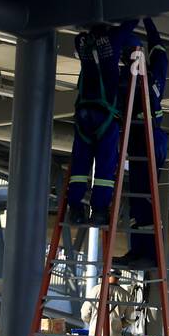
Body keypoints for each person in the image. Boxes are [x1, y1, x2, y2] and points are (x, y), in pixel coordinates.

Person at [67, 21, 136, 226]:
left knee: (80, 165)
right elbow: (127, 31)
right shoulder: (110, 44)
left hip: (85, 115)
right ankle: (98, 210)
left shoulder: (85, 47)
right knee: (105, 167)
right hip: (103, 116)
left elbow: (79, 38)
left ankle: (76, 208)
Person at [114, 16, 169, 270]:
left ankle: (147, 253)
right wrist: (148, 22)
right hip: (147, 141)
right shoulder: (153, 74)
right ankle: (139, 250)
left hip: (144, 141)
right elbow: (161, 52)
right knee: (139, 199)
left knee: (143, 199)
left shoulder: (125, 80)